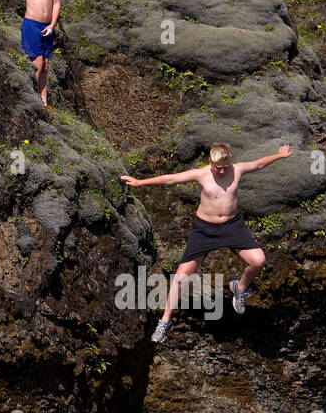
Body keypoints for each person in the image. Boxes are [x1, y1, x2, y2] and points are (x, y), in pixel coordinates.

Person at [120, 142, 293, 342]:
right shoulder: (201, 174)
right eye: (217, 166)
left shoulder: (236, 170)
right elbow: (170, 179)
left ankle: (240, 288)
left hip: (232, 227)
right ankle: (165, 322)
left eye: (225, 166)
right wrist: (140, 183)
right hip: (205, 230)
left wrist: (279, 155)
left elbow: (259, 164)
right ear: (209, 161)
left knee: (258, 260)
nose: (221, 170)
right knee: (181, 277)